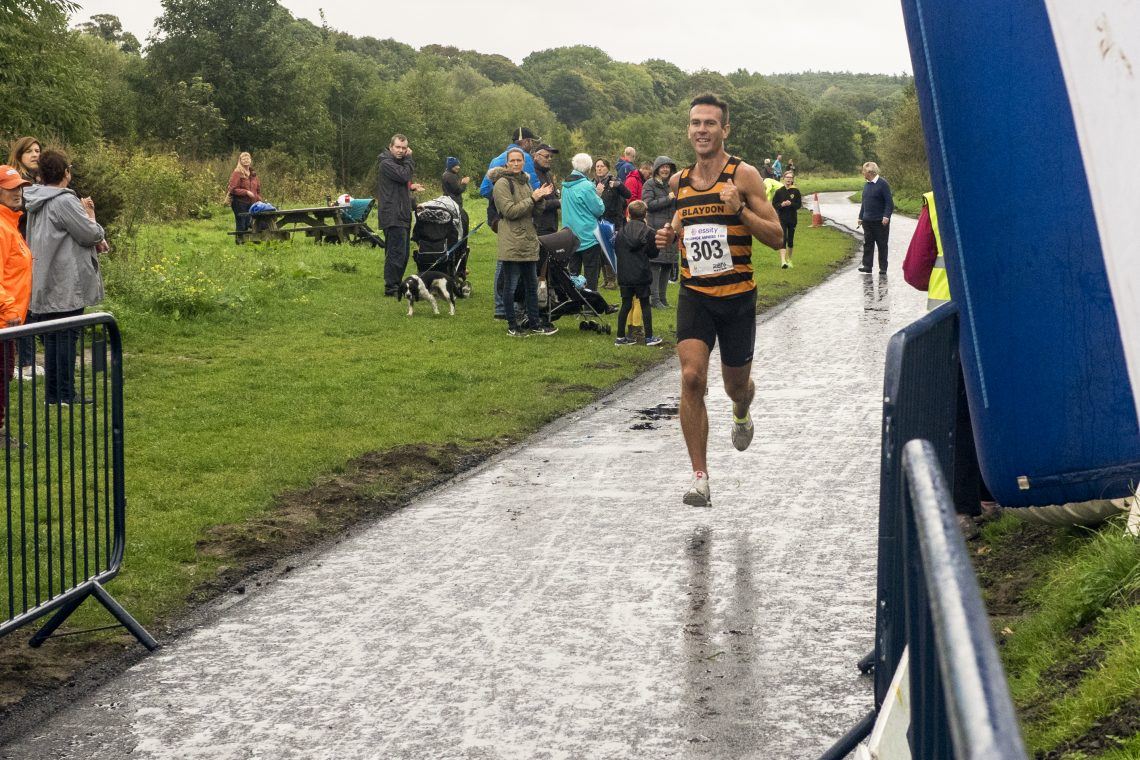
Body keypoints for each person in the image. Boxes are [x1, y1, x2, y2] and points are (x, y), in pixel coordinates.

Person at [654, 94, 783, 507]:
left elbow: (778, 236)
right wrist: (670, 232)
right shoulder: (680, 181)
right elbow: (684, 215)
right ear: (688, 129)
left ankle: (743, 408)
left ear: (724, 129)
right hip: (695, 295)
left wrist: (741, 210)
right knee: (692, 378)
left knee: (735, 386)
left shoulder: (742, 176)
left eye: (710, 123)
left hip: (737, 299)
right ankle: (700, 478)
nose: (701, 130)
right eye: (695, 123)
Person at [23, 150, 106, 406]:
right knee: (66, 336)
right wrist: (90, 215)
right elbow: (89, 234)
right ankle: (66, 394)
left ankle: (53, 394)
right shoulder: (64, 201)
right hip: (64, 280)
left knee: (51, 338)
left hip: (43, 276)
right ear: (66, 173)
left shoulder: (34, 198)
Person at [490, 149, 556, 337]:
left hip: (528, 239)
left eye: (519, 160)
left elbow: (534, 211)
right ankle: (513, 325)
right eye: (513, 161)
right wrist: (532, 198)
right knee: (510, 285)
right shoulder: (502, 184)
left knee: (531, 285)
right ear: (507, 163)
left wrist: (540, 198)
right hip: (511, 241)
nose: (517, 164)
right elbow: (510, 211)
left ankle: (534, 323)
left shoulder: (525, 182)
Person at [481, 128, 541, 319]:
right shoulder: (525, 158)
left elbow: (483, 189)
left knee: (505, 259)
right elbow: (535, 189)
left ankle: (501, 306)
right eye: (531, 141)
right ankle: (511, 308)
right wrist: (509, 198)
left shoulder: (495, 160)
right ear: (524, 142)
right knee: (512, 264)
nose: (532, 145)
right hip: (513, 215)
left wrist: (498, 201)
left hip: (495, 216)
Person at [0, 166, 34, 445]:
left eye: (19, 187)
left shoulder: (10, 223)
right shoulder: (0, 227)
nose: (17, 192)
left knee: (4, 373)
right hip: (4, 319)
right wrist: (9, 308)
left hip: (10, 319)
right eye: (10, 188)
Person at [7, 137, 43, 379]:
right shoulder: (13, 182)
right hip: (16, 246)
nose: (34, 155)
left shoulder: (37, 181)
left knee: (28, 304)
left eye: (38, 151)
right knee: (20, 306)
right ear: (19, 155)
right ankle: (24, 362)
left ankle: (26, 360)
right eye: (29, 151)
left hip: (29, 247)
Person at [376, 134, 425, 296]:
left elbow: (399, 190)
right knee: (396, 253)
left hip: (402, 214)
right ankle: (391, 287)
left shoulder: (398, 164)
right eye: (398, 147)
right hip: (392, 215)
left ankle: (395, 284)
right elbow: (404, 176)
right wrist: (410, 159)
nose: (401, 151)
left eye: (404, 148)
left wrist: (414, 205)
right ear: (391, 147)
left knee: (402, 253)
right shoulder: (386, 163)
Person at [613, 201, 662, 347]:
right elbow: (653, 254)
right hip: (641, 273)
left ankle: (620, 337)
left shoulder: (621, 232)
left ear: (629, 213)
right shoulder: (649, 232)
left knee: (625, 304)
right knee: (645, 304)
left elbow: (617, 250)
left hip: (624, 273)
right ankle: (649, 337)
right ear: (645, 214)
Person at [561, 153, 606, 292]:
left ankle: (575, 301)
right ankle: (590, 302)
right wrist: (598, 195)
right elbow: (599, 210)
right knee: (590, 271)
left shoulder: (565, 185)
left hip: (570, 235)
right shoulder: (586, 186)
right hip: (588, 235)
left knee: (573, 271)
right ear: (589, 168)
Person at [642, 155, 677, 308]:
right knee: (655, 264)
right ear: (656, 169)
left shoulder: (673, 184)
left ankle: (663, 299)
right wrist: (668, 198)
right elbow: (648, 204)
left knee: (668, 264)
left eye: (668, 167)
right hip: (656, 229)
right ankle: (654, 299)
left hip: (671, 229)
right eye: (662, 167)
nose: (665, 169)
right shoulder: (649, 184)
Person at [595, 158, 630, 289]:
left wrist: (618, 185)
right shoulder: (593, 183)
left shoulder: (614, 181)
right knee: (602, 251)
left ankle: (613, 280)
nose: (599, 169)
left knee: (611, 250)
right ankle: (606, 279)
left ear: (607, 168)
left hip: (614, 221)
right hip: (599, 221)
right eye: (597, 166)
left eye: (602, 166)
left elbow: (628, 194)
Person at [857, 161, 893, 274]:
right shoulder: (867, 185)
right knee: (868, 243)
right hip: (867, 220)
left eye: (864, 171)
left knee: (882, 244)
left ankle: (883, 268)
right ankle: (867, 266)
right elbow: (864, 202)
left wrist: (886, 216)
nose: (863, 173)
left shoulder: (883, 184)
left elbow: (889, 203)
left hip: (880, 221)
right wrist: (860, 217)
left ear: (869, 172)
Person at [225, 152, 261, 243]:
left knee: (249, 223)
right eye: (243, 159)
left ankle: (249, 242)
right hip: (239, 202)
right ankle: (240, 243)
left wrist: (259, 199)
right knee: (241, 223)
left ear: (250, 160)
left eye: (248, 158)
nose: (246, 160)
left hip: (252, 203)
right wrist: (246, 192)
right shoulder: (237, 173)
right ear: (240, 161)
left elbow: (257, 189)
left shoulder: (253, 174)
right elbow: (233, 189)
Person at [771, 171, 803, 269]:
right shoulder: (779, 191)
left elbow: (799, 205)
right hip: (782, 218)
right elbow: (774, 205)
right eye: (787, 177)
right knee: (783, 239)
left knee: (790, 240)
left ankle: (789, 260)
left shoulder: (796, 191)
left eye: (791, 177)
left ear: (793, 179)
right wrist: (782, 205)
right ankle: (783, 261)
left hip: (792, 218)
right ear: (783, 178)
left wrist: (791, 204)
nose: (789, 179)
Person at [441, 156, 471, 253]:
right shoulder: (450, 176)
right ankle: (458, 246)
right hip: (454, 204)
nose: (458, 167)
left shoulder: (448, 174)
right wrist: (464, 183)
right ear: (451, 166)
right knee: (458, 225)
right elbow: (457, 190)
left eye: (458, 165)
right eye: (455, 165)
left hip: (450, 202)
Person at [531, 144, 561, 237]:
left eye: (551, 156)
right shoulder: (532, 174)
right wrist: (559, 202)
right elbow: (535, 203)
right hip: (538, 227)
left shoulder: (547, 173)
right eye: (546, 156)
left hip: (551, 225)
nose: (549, 159)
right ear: (536, 156)